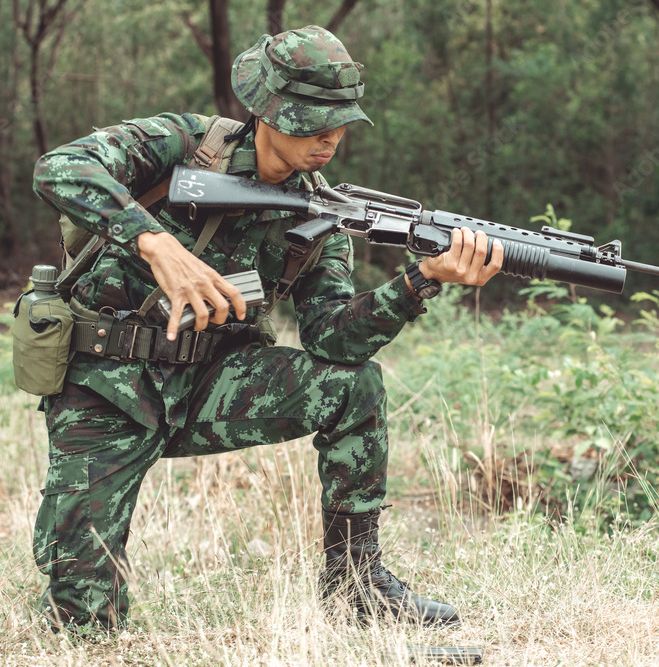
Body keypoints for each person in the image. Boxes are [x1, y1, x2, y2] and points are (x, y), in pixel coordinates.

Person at [31, 24, 504, 633]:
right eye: (312, 119)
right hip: (107, 386)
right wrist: (155, 244)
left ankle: (357, 586)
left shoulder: (320, 215)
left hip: (214, 383)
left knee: (354, 385)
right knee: (86, 621)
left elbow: (332, 339)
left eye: (340, 121)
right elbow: (58, 167)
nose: (329, 138)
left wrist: (419, 282)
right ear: (268, 109)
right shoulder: (184, 143)